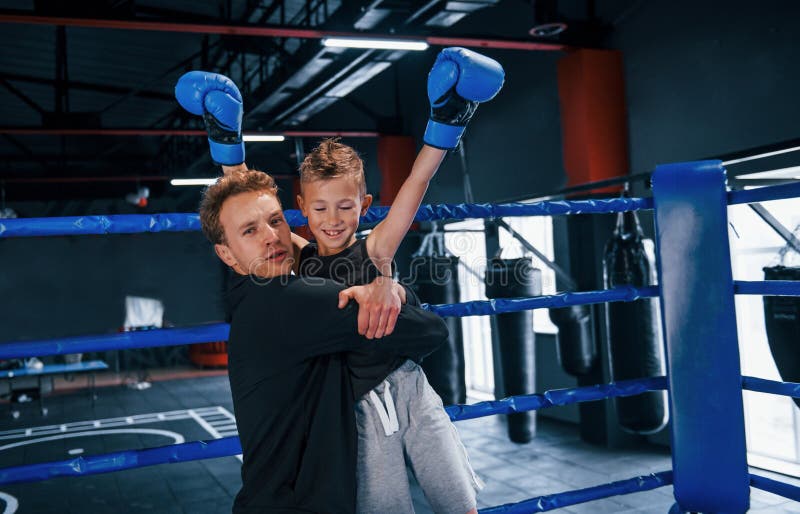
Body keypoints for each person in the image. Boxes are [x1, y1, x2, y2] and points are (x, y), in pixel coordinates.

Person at [292, 48, 504, 514]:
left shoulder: (375, 248)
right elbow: (250, 222)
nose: (333, 219)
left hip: (411, 384)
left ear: (364, 204)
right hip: (360, 408)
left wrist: (447, 122)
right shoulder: (298, 256)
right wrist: (226, 146)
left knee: (460, 502)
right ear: (303, 208)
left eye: (345, 206)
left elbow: (416, 183)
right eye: (321, 208)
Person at [198, 169, 449, 513]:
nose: (270, 237)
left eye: (275, 221)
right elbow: (430, 330)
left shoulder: (247, 298)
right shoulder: (289, 300)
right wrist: (394, 289)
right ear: (226, 255)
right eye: (250, 230)